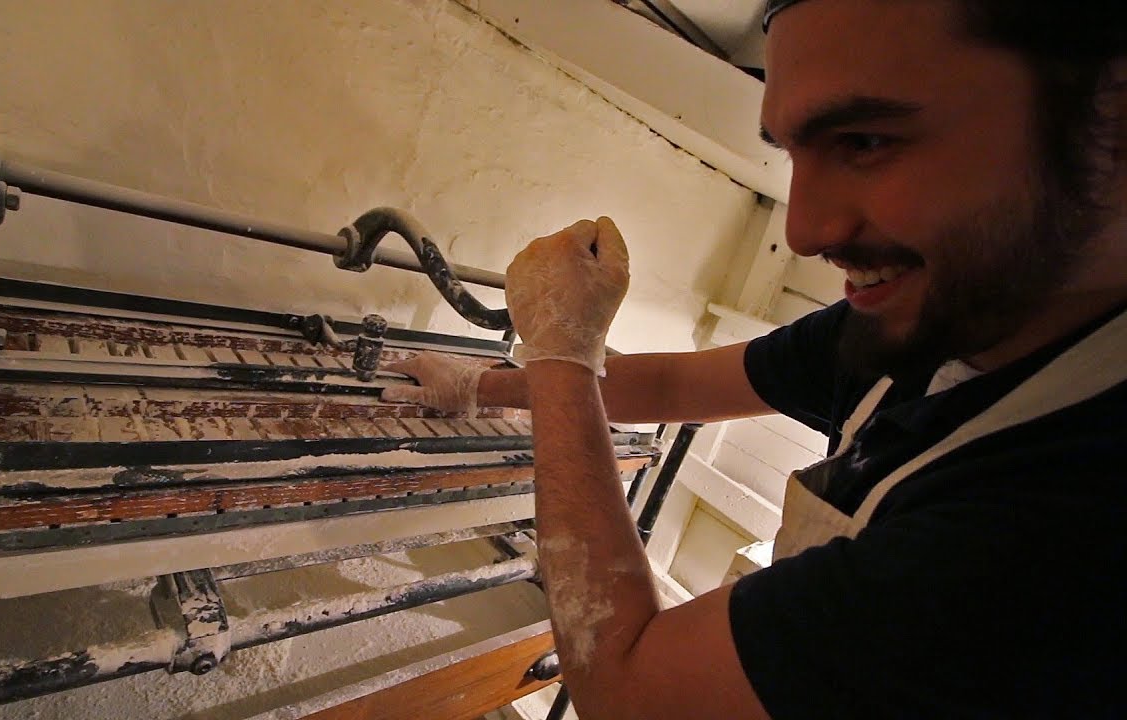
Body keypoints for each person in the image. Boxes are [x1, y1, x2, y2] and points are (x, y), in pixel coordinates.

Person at [384, 1, 1127, 717]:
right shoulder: (942, 317)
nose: (803, 229)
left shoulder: (1063, 526)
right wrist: (481, 385)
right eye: (794, 152)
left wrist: (558, 359)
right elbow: (677, 382)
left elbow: (630, 688)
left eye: (866, 140)